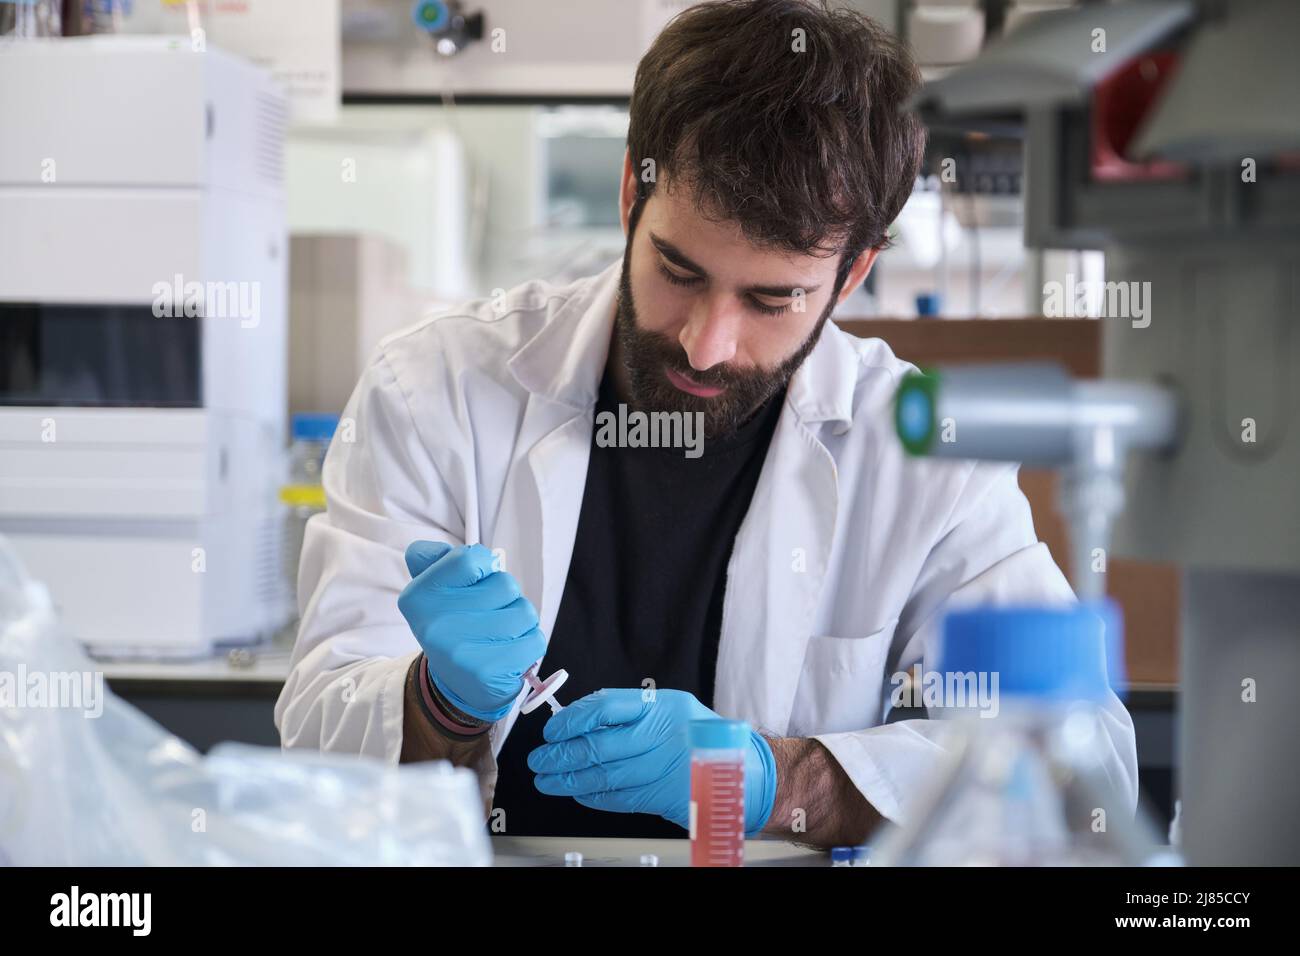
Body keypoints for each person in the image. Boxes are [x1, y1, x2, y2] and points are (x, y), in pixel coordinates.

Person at [276, 0, 1138, 847]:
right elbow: (315, 736)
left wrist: (775, 779)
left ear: (853, 272)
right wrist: (439, 701)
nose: (706, 342)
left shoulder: (921, 451)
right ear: (629, 196)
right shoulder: (439, 387)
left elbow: (1083, 763)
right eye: (678, 270)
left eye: (772, 298)